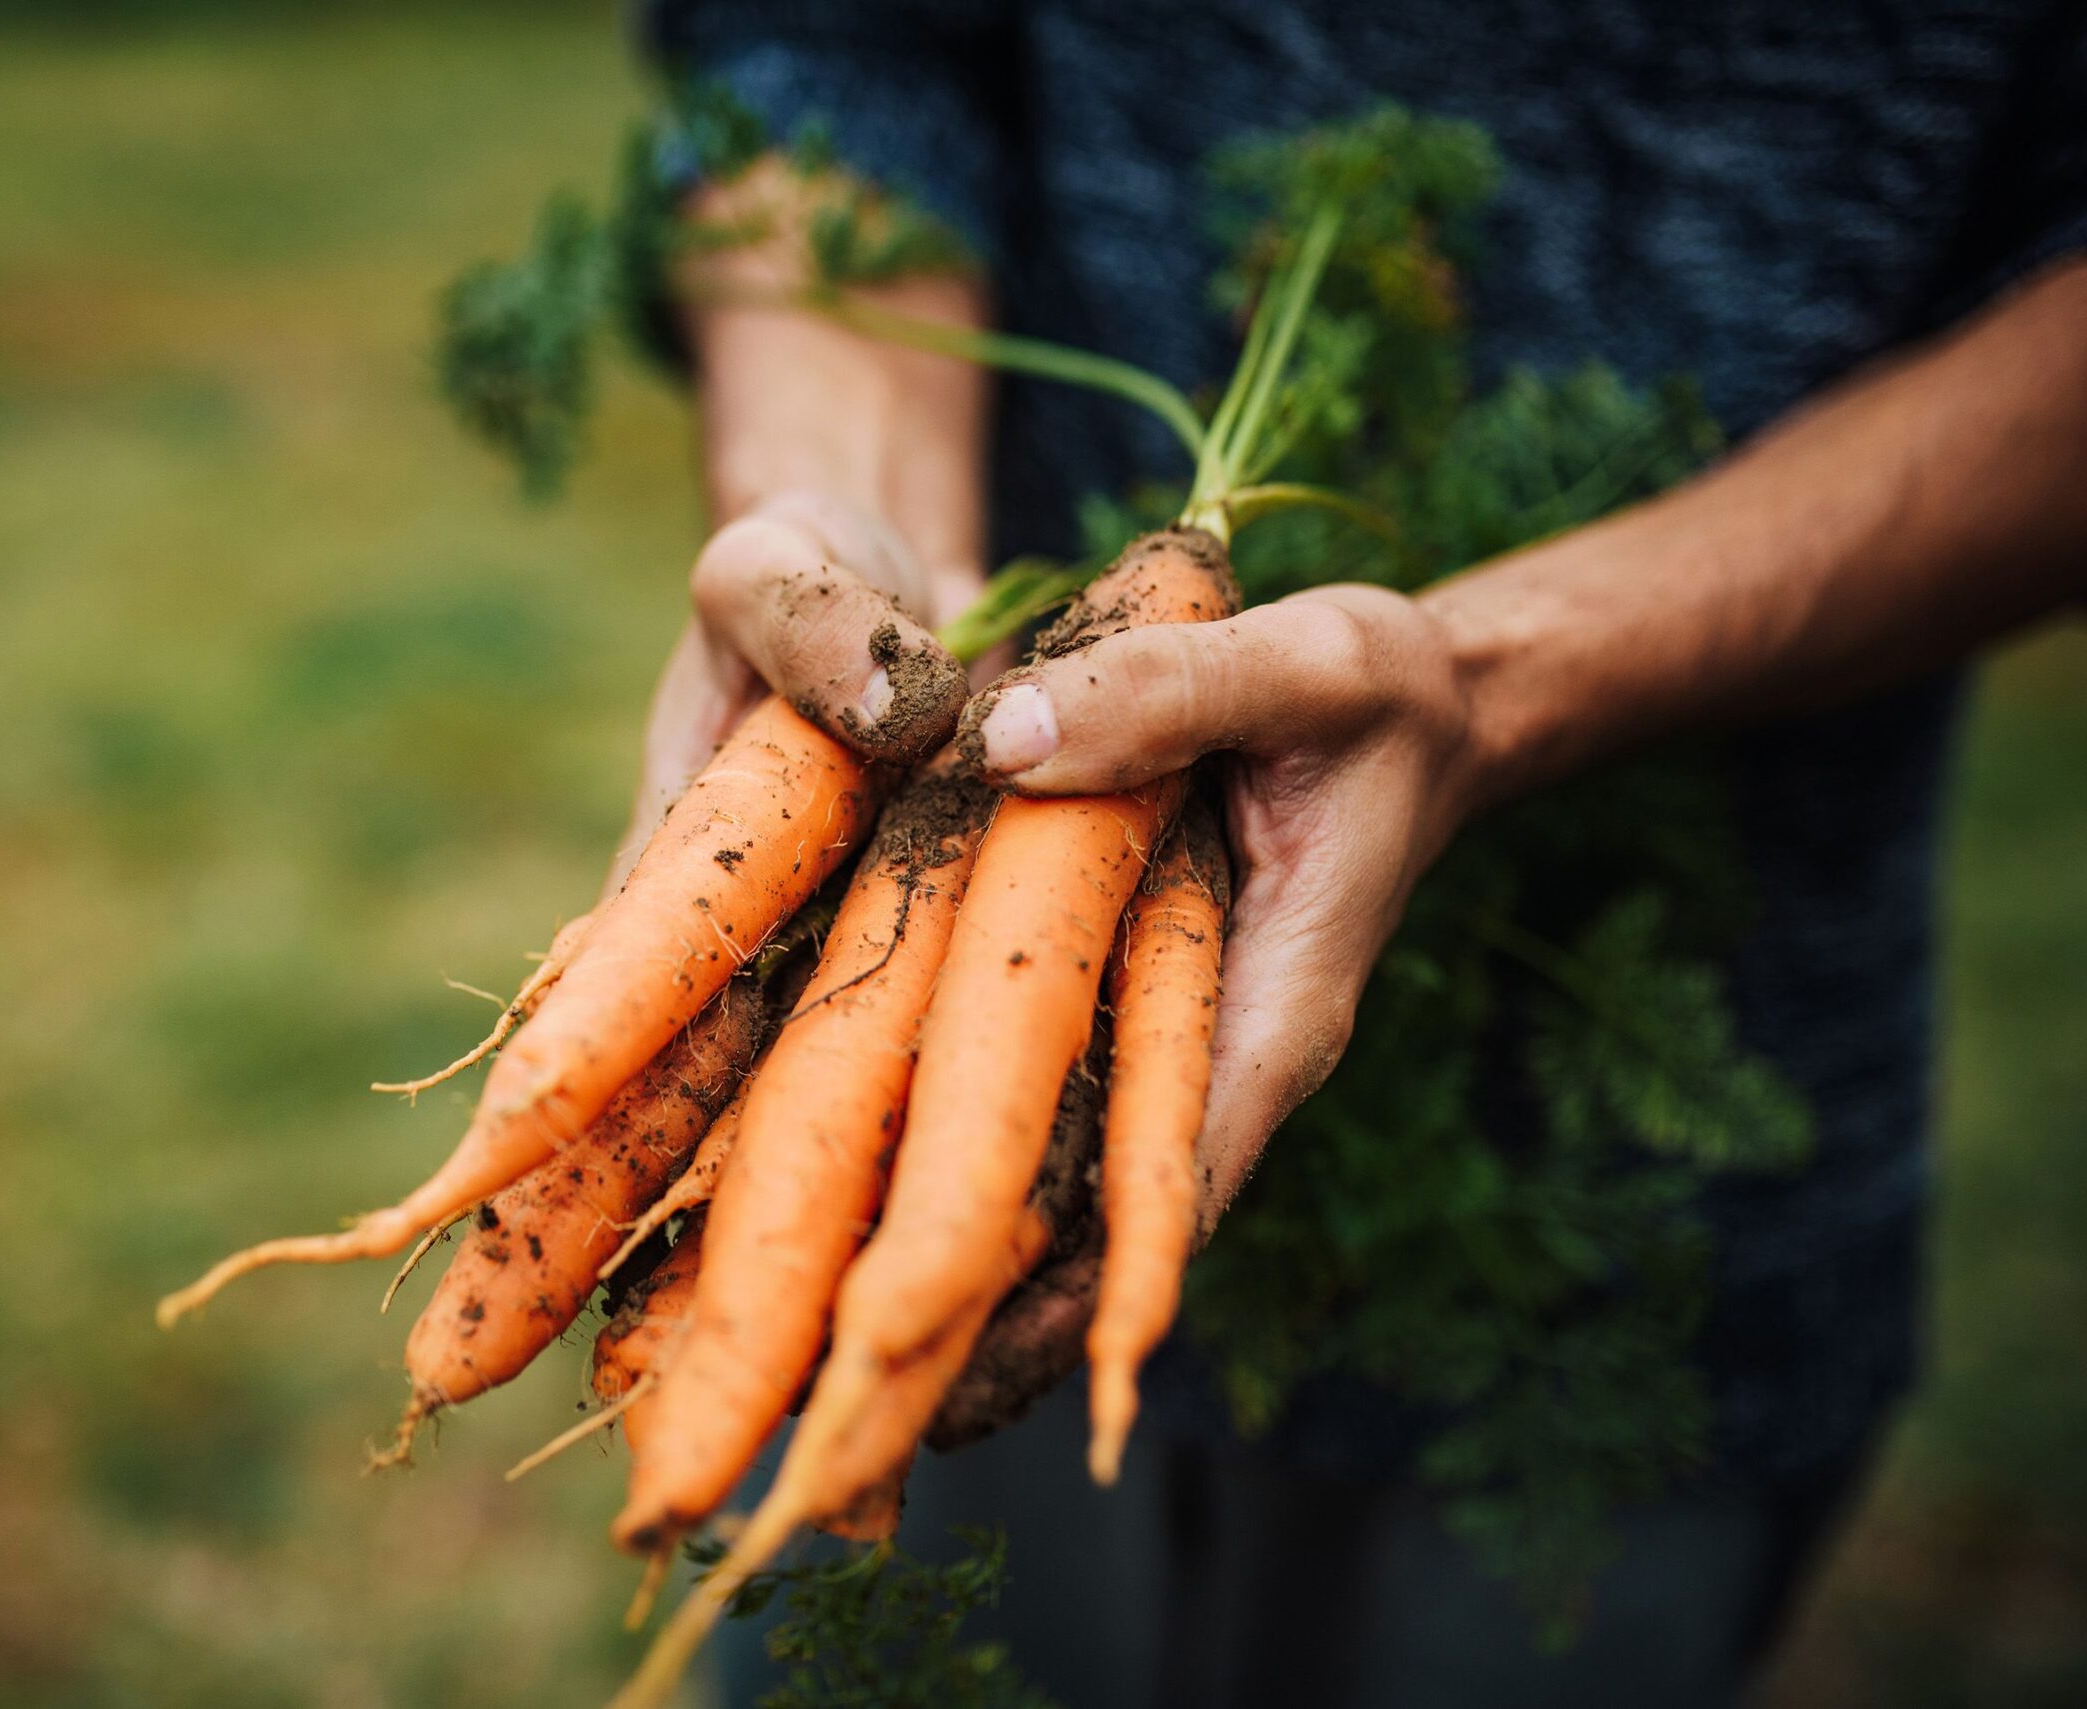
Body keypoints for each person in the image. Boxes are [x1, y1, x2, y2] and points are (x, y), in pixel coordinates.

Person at [616, 3, 2087, 1703]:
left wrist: (1484, 677)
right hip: (920, 1151)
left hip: (1615, 1201)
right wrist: (844, 547)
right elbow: (821, 44)